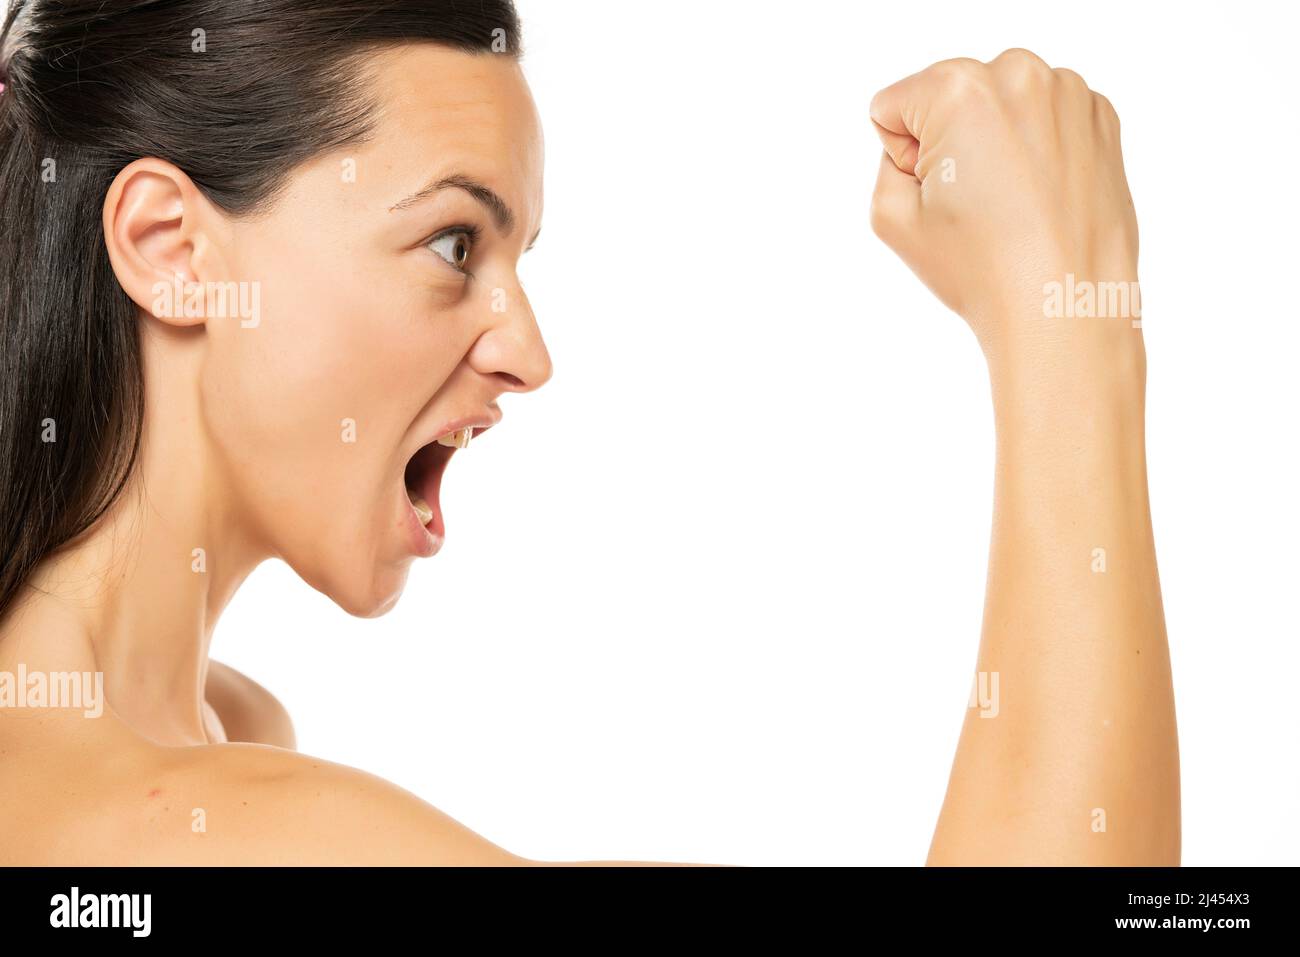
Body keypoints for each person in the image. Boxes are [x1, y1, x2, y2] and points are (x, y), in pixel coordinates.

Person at [0, 0, 1177, 865]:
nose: (530, 351)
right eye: (456, 244)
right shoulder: (169, 837)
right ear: (171, 249)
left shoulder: (218, 735)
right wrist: (1067, 320)